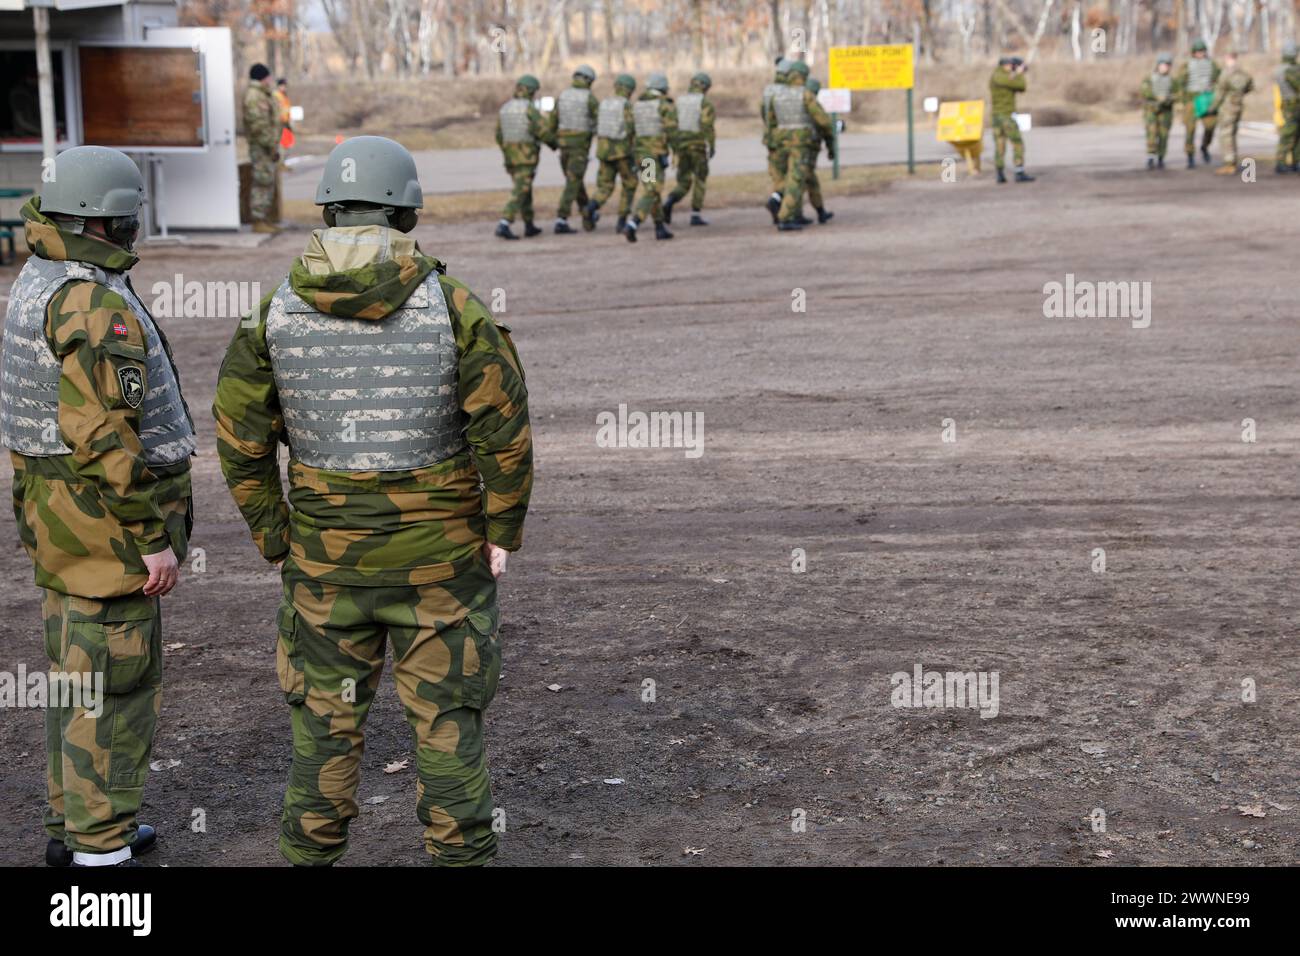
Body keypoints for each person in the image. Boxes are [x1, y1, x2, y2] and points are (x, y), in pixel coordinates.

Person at [212, 136, 533, 867]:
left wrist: (275, 533)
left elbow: (240, 436)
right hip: (442, 563)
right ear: (406, 211)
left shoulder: (273, 312)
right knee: (448, 725)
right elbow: (504, 429)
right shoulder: (454, 306)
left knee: (323, 734)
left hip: (324, 565)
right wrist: (502, 527)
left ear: (327, 207)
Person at [1, 145, 196, 868]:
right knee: (114, 686)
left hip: (57, 520)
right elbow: (102, 432)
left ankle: (70, 823)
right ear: (110, 221)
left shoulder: (41, 275)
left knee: (76, 676)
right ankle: (100, 849)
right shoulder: (91, 301)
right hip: (103, 526)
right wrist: (150, 535)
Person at [767, 60, 835, 231]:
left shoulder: (777, 95)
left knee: (785, 179)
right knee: (796, 179)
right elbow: (823, 120)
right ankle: (785, 217)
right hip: (800, 144)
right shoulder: (805, 95)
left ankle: (780, 203)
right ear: (803, 76)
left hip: (779, 143)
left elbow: (771, 120)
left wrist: (773, 140)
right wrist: (830, 136)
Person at [495, 74, 555, 239]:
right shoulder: (529, 109)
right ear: (530, 91)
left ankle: (529, 224)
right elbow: (542, 131)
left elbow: (499, 135)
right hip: (526, 158)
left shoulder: (505, 108)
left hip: (510, 158)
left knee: (524, 189)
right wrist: (555, 144)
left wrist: (507, 150)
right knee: (521, 190)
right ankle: (505, 223)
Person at [625, 73, 677, 243]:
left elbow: (630, 131)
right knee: (652, 190)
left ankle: (659, 226)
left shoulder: (636, 106)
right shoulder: (664, 106)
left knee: (653, 190)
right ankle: (633, 223)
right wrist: (675, 151)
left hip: (642, 155)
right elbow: (672, 131)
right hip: (653, 156)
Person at [548, 65, 600, 232]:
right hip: (579, 147)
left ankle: (588, 216)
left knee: (575, 181)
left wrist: (554, 142)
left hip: (564, 146)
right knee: (573, 182)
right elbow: (599, 121)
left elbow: (552, 122)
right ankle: (561, 218)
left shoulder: (562, 96)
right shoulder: (589, 98)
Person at [584, 74, 638, 234]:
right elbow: (631, 128)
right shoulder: (626, 105)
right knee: (630, 184)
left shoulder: (604, 103)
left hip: (603, 151)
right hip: (622, 152)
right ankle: (622, 221)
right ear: (629, 90)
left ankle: (590, 207)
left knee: (605, 186)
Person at [664, 72, 716, 227]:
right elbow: (708, 127)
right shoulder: (705, 103)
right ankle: (695, 214)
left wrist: (674, 147)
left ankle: (667, 203)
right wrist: (711, 146)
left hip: (677, 148)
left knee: (683, 181)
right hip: (697, 147)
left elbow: (670, 126)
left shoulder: (678, 102)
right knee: (700, 179)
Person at [243, 63, 281, 233]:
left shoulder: (262, 94)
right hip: (261, 147)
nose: (270, 80)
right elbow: (258, 125)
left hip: (266, 146)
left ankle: (264, 218)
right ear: (262, 77)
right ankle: (258, 220)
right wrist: (271, 145)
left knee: (267, 181)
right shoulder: (254, 96)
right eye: (268, 77)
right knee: (261, 182)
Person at [989, 56, 1034, 183]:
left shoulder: (999, 75)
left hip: (998, 116)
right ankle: (1018, 172)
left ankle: (1000, 174)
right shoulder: (1000, 76)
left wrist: (1016, 73)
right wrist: (1019, 74)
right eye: (1010, 66)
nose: (1012, 68)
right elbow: (1021, 85)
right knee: (1017, 143)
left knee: (1000, 145)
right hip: (1005, 116)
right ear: (1005, 65)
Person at [1209, 50, 1254, 175]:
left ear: (1227, 57)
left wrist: (1212, 107)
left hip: (1227, 108)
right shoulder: (1243, 73)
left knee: (1226, 134)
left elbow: (1220, 92)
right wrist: (1238, 95)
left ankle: (1229, 163)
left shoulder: (1226, 73)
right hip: (1238, 106)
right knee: (1232, 134)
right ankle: (1232, 160)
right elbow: (1250, 87)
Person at [1178, 39, 1220, 167]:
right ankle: (1190, 155)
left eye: (1202, 51)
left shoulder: (1212, 65)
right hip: (1192, 99)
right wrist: (1184, 102)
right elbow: (1181, 83)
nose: (1200, 54)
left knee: (1210, 126)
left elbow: (1219, 80)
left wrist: (1215, 95)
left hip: (1207, 99)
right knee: (1190, 129)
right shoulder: (1186, 65)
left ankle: (1204, 147)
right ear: (1193, 53)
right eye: (1198, 52)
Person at [762, 58, 793, 224]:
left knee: (777, 175)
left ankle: (778, 204)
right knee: (792, 174)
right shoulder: (788, 91)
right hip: (785, 139)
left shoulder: (768, 90)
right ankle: (778, 203)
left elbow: (763, 112)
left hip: (770, 138)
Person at [1141, 54, 1177, 170]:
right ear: (1158, 65)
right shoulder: (1150, 78)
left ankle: (1161, 158)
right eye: (1163, 65)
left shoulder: (1172, 80)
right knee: (1151, 134)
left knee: (1163, 135)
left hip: (1166, 112)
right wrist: (1157, 98)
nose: (1165, 67)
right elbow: (1145, 91)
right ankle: (1151, 157)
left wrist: (1168, 99)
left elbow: (1177, 94)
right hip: (1151, 110)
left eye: (1167, 65)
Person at [1275, 41, 1300, 174]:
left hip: (1292, 105)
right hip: (1292, 105)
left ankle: (1296, 161)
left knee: (1296, 135)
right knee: (1289, 133)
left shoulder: (1285, 68)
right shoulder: (1287, 69)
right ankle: (1281, 162)